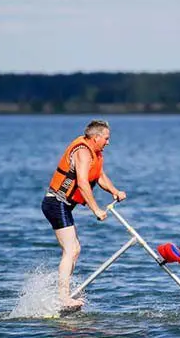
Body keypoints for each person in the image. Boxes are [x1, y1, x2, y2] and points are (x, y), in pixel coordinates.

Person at [41, 120, 127, 309]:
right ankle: (63, 298)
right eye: (106, 138)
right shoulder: (82, 151)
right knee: (71, 250)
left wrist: (114, 191)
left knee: (75, 250)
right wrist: (95, 209)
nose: (108, 142)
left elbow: (100, 176)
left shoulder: (95, 153)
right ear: (96, 137)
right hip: (56, 203)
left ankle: (64, 292)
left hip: (63, 205)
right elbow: (82, 182)